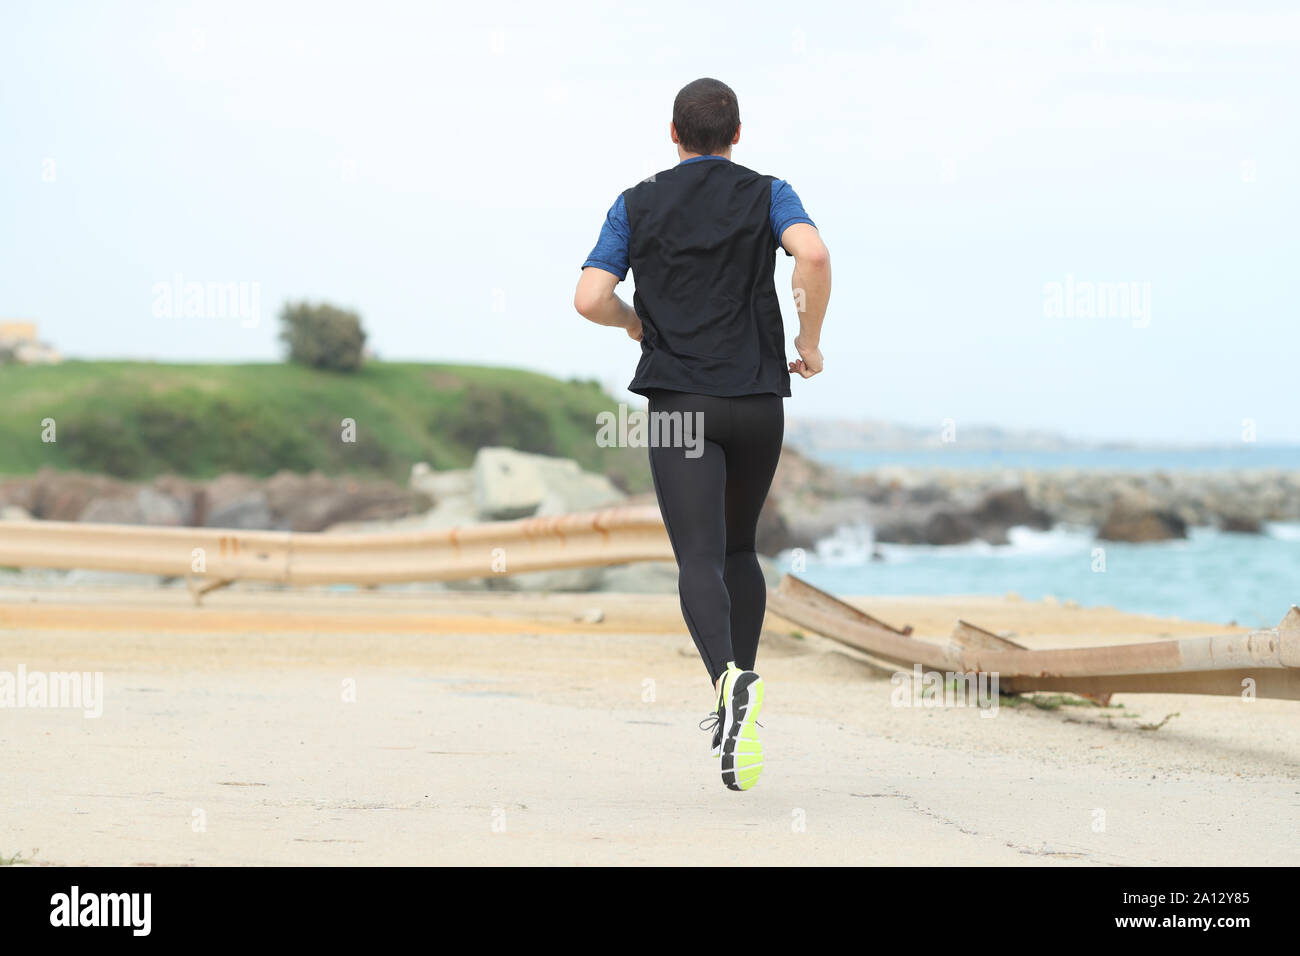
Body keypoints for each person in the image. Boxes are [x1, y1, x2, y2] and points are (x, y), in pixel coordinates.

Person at [574, 77, 831, 791]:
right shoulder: (769, 191)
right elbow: (810, 256)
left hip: (682, 401)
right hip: (755, 400)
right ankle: (738, 695)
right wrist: (809, 342)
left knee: (697, 558)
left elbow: (589, 296)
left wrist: (632, 321)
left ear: (673, 133)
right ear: (738, 135)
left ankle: (727, 684)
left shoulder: (638, 201)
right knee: (739, 546)